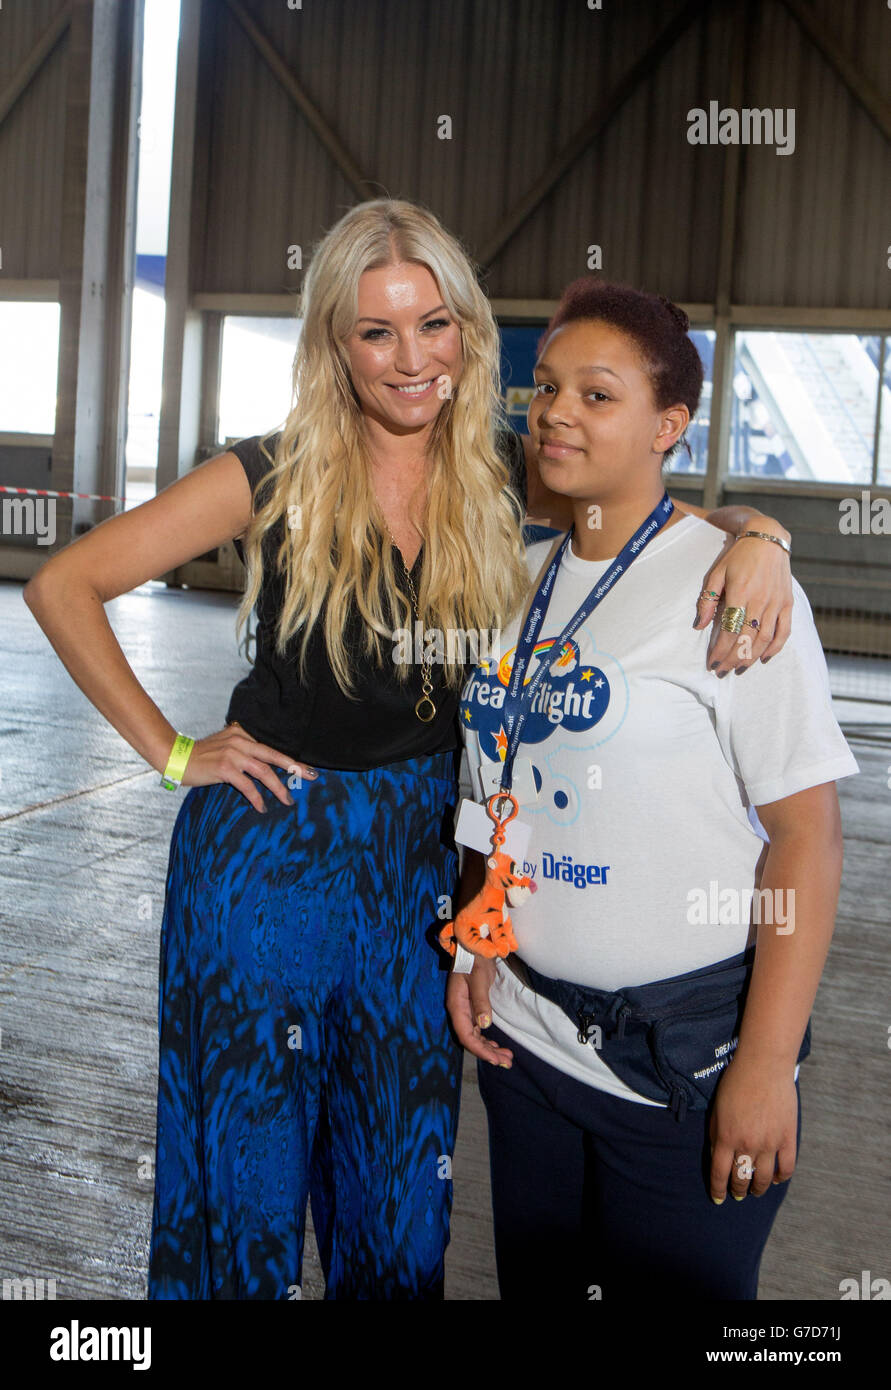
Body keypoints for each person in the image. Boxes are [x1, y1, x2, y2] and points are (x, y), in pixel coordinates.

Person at [23, 201, 796, 1301]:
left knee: (396, 1190)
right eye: (377, 331)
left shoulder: (503, 470)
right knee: (238, 1182)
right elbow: (66, 584)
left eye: (433, 324)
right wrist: (172, 750)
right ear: (336, 343)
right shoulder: (270, 473)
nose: (410, 358)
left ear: (466, 331)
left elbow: (655, 520)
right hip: (263, 861)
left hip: (415, 870)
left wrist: (763, 538)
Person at [448, 278, 859, 1301]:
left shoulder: (735, 587)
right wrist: (479, 936)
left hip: (683, 1069)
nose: (554, 413)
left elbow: (806, 835)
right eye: (545, 389)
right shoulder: (520, 581)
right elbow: (506, 787)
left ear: (669, 424)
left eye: (597, 395)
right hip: (531, 1053)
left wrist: (764, 1063)